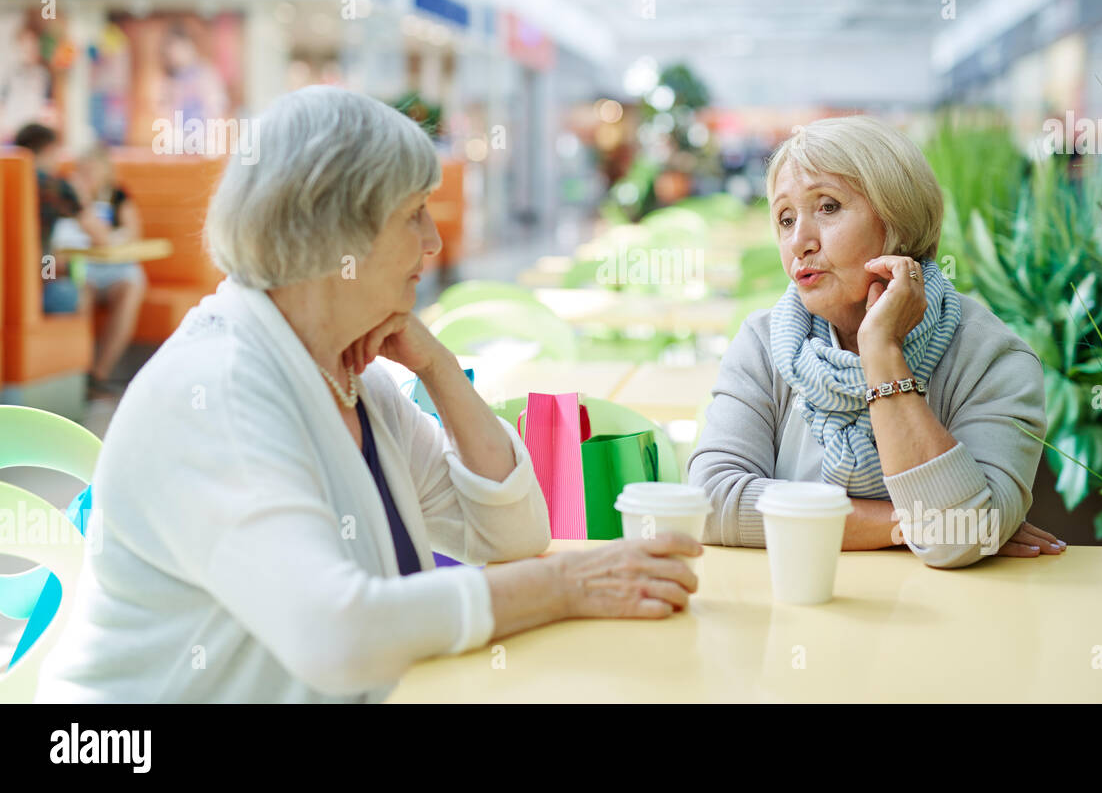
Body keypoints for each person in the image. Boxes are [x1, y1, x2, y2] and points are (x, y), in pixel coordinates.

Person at [35, 86, 701, 703]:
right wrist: (564, 587)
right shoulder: (217, 390)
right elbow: (335, 636)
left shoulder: (356, 378)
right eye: (414, 215)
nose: (436, 242)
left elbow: (512, 535)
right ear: (332, 232)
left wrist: (438, 366)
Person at [689, 116, 1063, 569]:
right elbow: (709, 502)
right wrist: (904, 526)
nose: (800, 242)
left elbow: (959, 538)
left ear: (897, 218)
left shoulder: (994, 360)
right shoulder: (764, 343)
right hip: (795, 616)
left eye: (827, 207)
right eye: (785, 219)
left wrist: (882, 352)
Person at [64, 148, 148, 395]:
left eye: (93, 169)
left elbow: (133, 234)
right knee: (79, 295)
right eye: (83, 169)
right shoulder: (68, 198)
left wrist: (112, 239)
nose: (88, 175)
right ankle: (77, 373)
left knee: (132, 286)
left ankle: (98, 375)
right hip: (83, 267)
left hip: (117, 269)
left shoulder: (118, 195)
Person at [13, 123, 112, 316]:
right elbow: (102, 239)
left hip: (8, 289)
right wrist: (80, 195)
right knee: (75, 289)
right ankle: (73, 345)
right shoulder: (54, 187)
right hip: (35, 288)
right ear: (50, 150)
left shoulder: (6, 176)